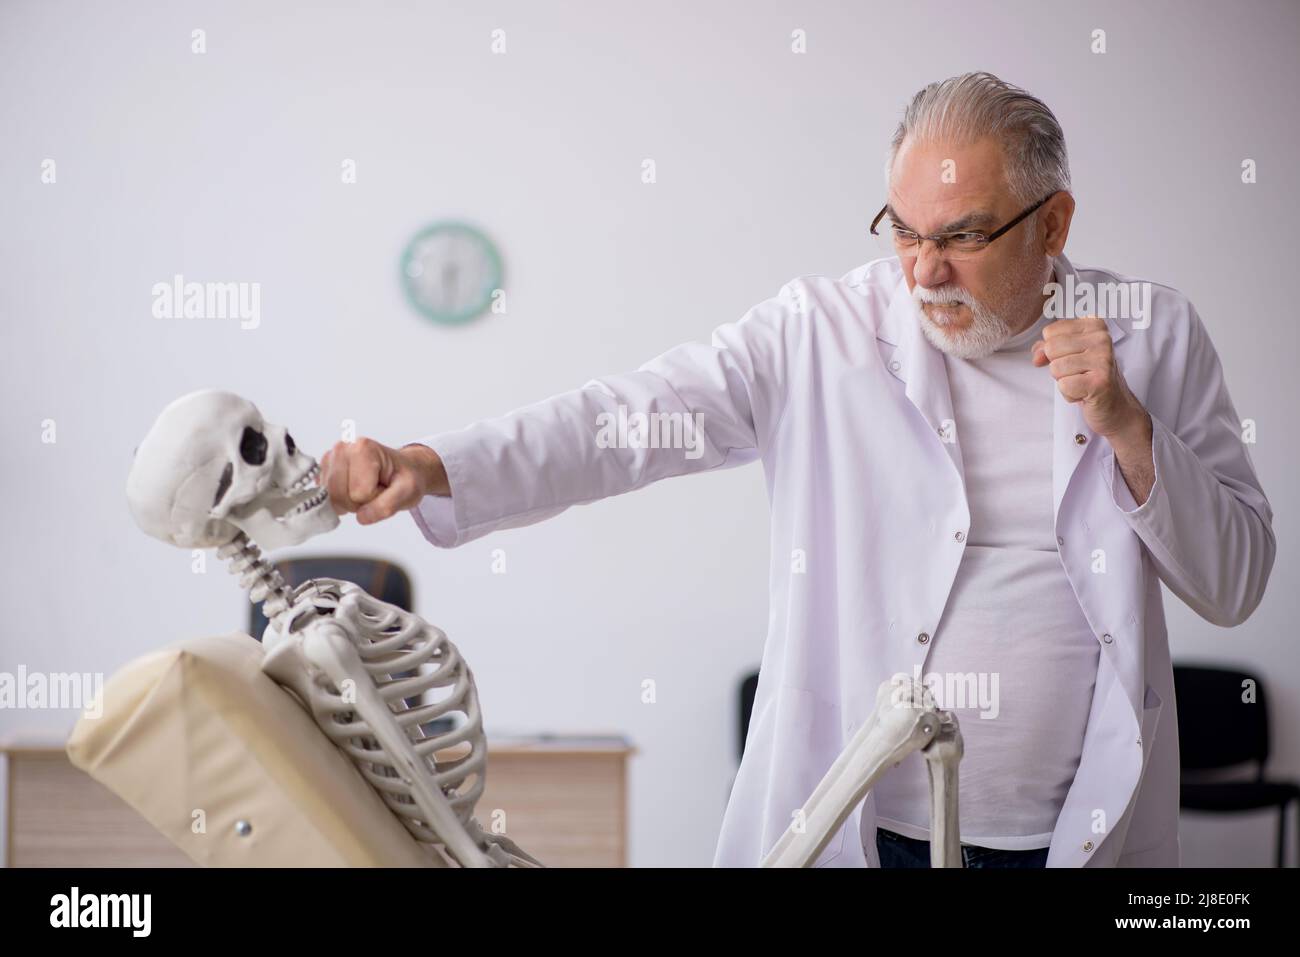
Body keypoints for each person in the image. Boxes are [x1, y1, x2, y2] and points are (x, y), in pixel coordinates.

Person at [319, 72, 1274, 867]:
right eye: (903, 230)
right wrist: (436, 464)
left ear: (1053, 221)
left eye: (963, 236)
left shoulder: (1152, 336)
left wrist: (1127, 424)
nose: (925, 272)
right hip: (865, 821)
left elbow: (1235, 581)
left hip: (1074, 837)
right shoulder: (821, 332)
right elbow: (631, 416)